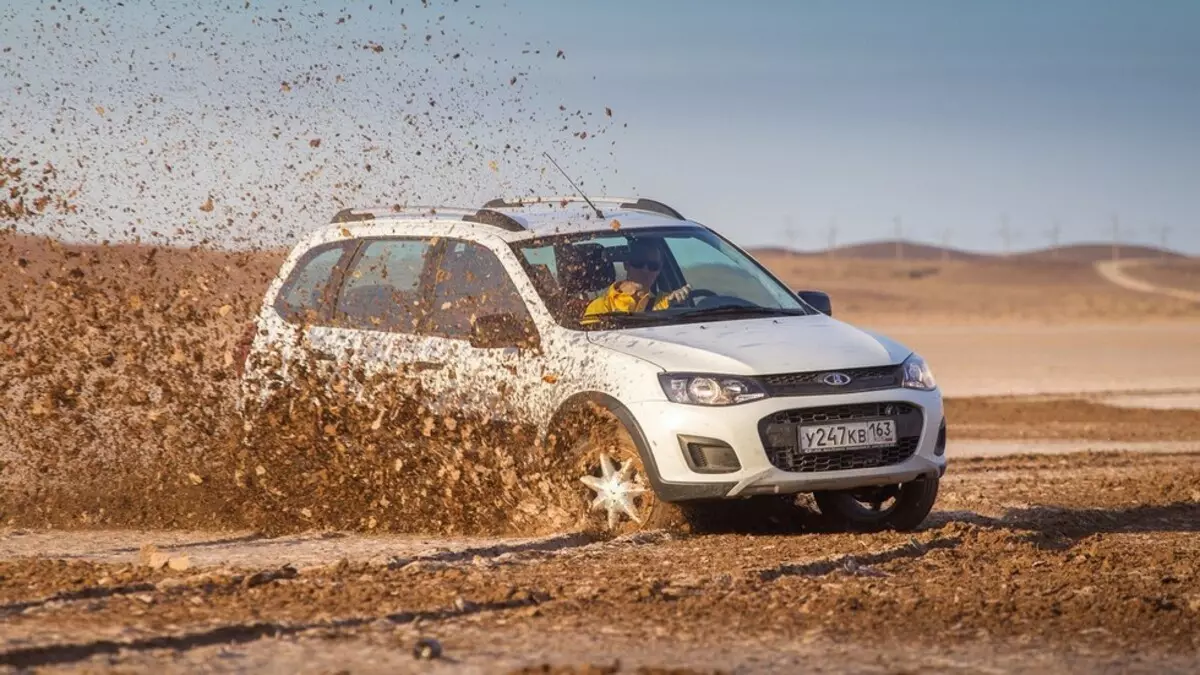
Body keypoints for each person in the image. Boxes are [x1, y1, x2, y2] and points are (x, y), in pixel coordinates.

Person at [581, 239, 690, 324]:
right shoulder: (601, 307)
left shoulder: (667, 302)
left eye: (653, 266)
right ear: (626, 264)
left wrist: (680, 301)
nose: (645, 270)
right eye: (639, 262)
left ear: (659, 270)